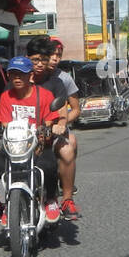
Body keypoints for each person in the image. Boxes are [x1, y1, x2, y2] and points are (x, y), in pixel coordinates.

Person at [0, 56, 66, 224]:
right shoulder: (6, 97)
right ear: (9, 76)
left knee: (48, 165)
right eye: (13, 74)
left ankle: (51, 200)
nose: (17, 78)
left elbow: (49, 121)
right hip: (13, 146)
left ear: (30, 76)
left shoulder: (45, 95)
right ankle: (2, 203)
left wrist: (52, 128)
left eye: (21, 74)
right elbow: (4, 123)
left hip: (37, 144)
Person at [31, 36, 81, 219]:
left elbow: (74, 110)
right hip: (28, 131)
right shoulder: (25, 77)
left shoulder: (63, 80)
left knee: (70, 144)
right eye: (51, 54)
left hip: (55, 127)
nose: (54, 59)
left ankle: (67, 197)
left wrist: (61, 123)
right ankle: (1, 201)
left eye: (58, 55)